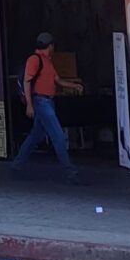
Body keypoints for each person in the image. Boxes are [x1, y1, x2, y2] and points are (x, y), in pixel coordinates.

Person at [11, 32, 83, 184]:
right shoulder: (35, 59)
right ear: (50, 46)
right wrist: (29, 105)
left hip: (47, 101)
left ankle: (17, 165)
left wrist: (74, 86)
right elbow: (27, 81)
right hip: (41, 102)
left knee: (36, 135)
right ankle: (70, 172)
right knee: (58, 136)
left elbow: (57, 80)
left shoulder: (47, 61)